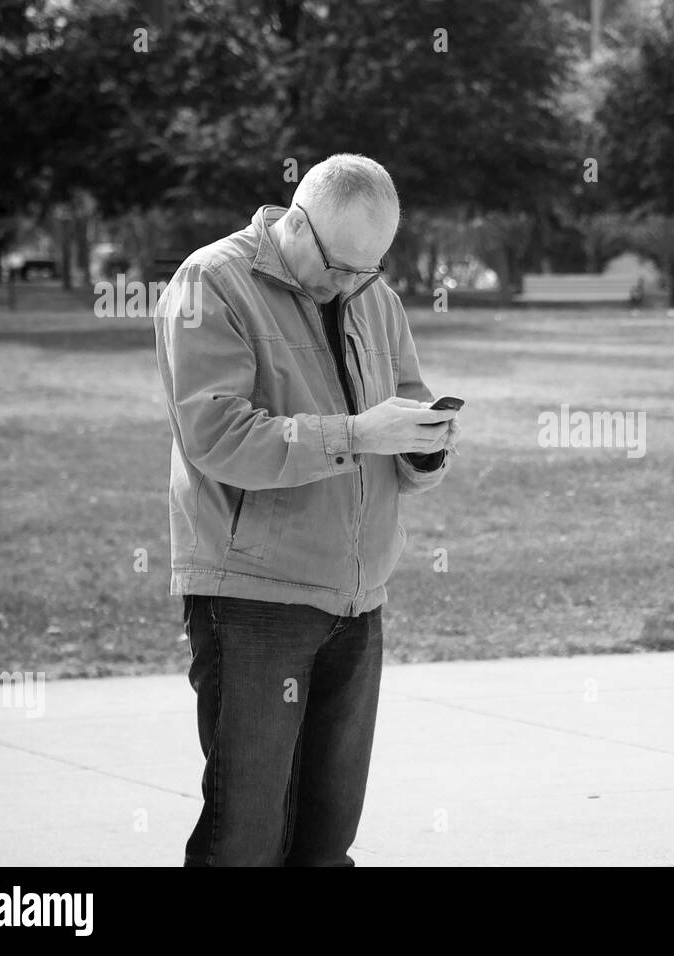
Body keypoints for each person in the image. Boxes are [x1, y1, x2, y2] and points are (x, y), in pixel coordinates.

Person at [152, 153, 460, 866]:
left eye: (369, 269)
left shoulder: (373, 295)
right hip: (253, 596)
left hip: (358, 597)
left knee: (326, 840)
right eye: (343, 267)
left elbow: (402, 406)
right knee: (246, 838)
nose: (353, 284)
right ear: (296, 221)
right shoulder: (209, 284)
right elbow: (219, 439)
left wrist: (423, 447)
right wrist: (358, 435)